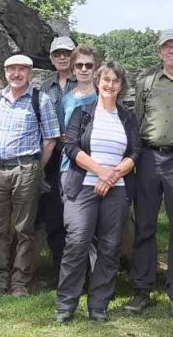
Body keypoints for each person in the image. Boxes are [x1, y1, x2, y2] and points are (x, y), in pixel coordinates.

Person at [56, 60, 142, 323]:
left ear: (121, 86)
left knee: (109, 247)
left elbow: (135, 153)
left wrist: (113, 174)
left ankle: (98, 306)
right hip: (82, 186)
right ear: (98, 82)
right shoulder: (82, 113)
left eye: (115, 81)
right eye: (106, 79)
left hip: (116, 189)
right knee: (77, 242)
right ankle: (65, 305)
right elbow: (70, 146)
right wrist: (100, 170)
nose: (110, 85)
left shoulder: (127, 117)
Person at [128, 28, 173, 316]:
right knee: (144, 226)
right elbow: (137, 121)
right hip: (147, 158)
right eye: (166, 47)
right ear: (160, 52)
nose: (172, 51)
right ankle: (142, 290)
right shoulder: (146, 84)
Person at [0, 54, 60, 296]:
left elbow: (50, 139)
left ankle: (19, 282)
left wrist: (36, 168)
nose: (16, 74)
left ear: (29, 72)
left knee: (24, 228)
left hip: (26, 168)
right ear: (5, 72)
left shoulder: (41, 99)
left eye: (21, 69)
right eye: (11, 69)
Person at [37, 35, 78, 281]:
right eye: (57, 54)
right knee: (52, 212)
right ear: (51, 59)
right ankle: (58, 266)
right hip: (52, 154)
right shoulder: (45, 86)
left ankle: (79, 269)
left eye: (66, 53)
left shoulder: (84, 81)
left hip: (78, 154)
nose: (62, 58)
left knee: (77, 212)